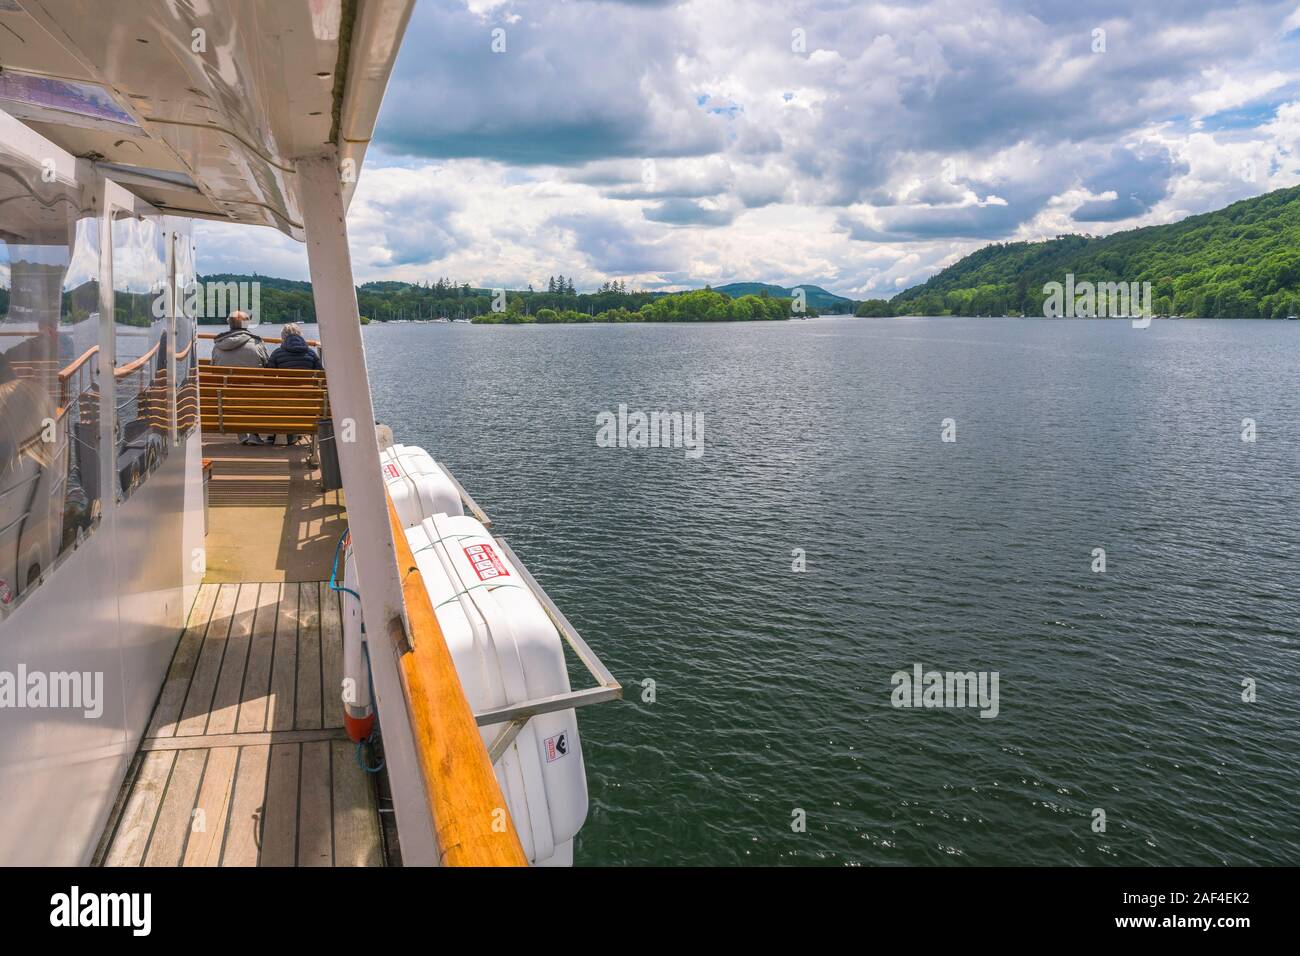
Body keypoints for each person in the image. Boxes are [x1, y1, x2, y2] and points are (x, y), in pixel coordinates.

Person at [210, 310, 268, 445]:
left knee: (230, 390)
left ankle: (242, 435)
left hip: (225, 397)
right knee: (255, 390)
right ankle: (253, 434)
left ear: (229, 324)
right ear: (246, 324)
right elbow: (267, 367)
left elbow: (213, 370)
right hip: (253, 396)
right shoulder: (256, 343)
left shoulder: (218, 345)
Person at [266, 323, 321, 446]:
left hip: (284, 398)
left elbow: (268, 378)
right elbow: (321, 376)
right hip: (307, 399)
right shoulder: (311, 353)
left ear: (283, 337)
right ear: (300, 336)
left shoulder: (277, 353)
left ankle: (277, 432)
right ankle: (298, 431)